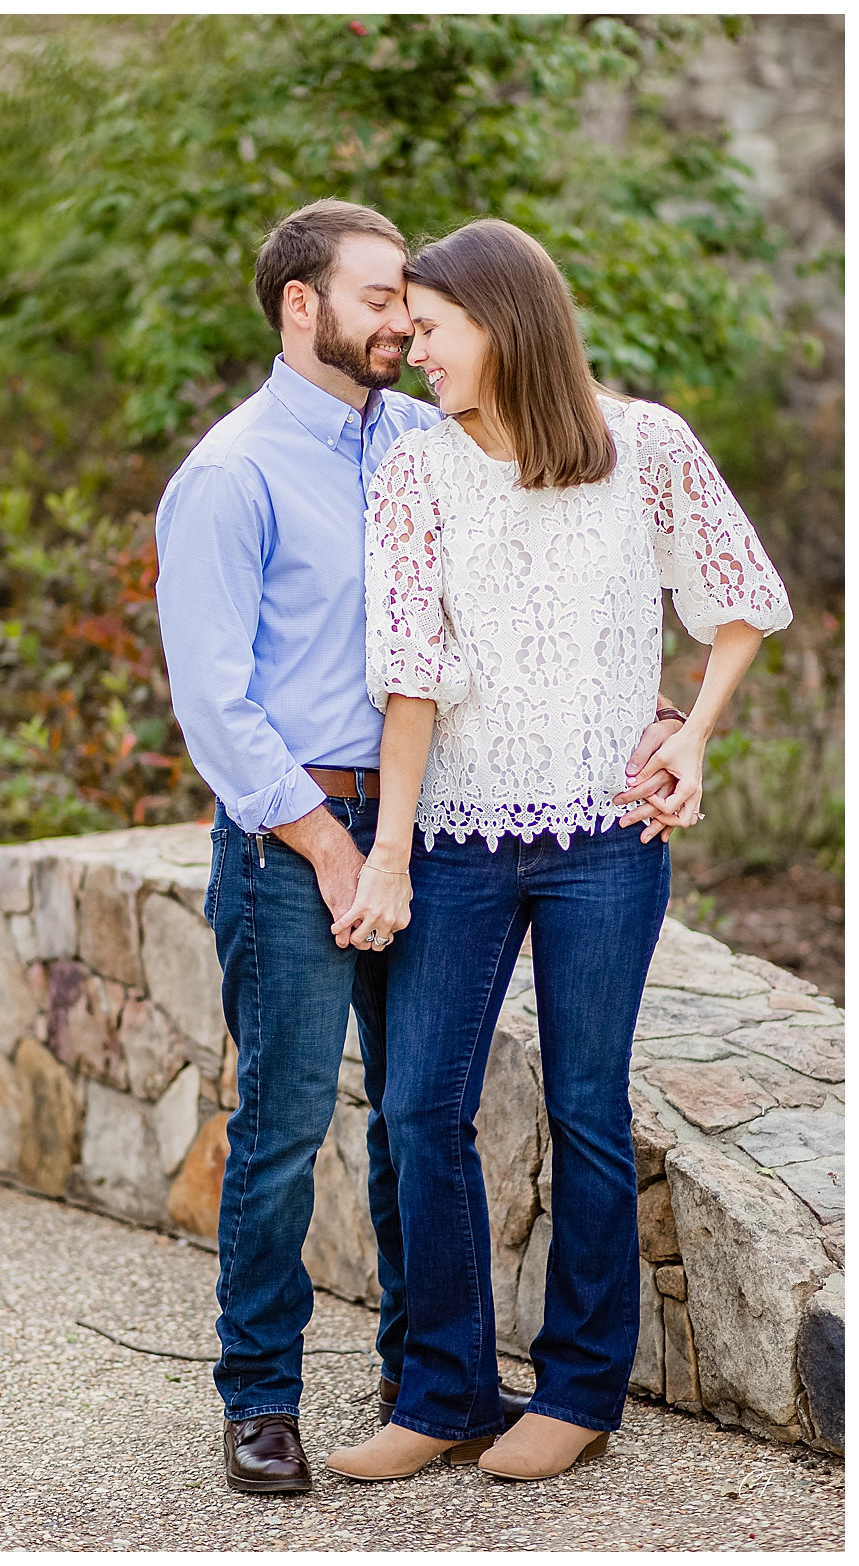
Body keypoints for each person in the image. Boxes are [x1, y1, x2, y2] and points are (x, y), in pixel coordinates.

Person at [152, 200, 674, 1496]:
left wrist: (643, 709)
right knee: (277, 1131)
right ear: (299, 305)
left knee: (414, 1118)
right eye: (381, 297)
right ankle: (259, 1395)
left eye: (413, 305)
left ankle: (422, 1376)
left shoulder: (434, 439)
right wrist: (333, 847)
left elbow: (520, 618)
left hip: (429, 831)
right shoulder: (232, 472)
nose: (401, 322)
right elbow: (216, 703)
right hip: (297, 843)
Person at [325, 218, 791, 1484]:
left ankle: (578, 1391)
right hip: (463, 842)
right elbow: (409, 678)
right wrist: (393, 856)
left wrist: (689, 736)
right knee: (420, 1107)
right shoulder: (413, 472)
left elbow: (739, 599)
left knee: (586, 1110)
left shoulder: (643, 446)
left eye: (429, 330)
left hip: (606, 838)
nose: (411, 350)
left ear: (501, 321)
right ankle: (446, 1394)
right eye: (407, 330)